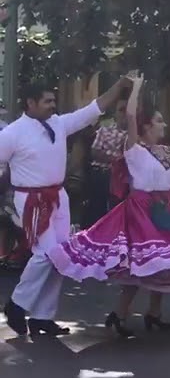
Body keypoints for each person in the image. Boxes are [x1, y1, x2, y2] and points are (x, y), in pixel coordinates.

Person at [48, 73, 170, 337]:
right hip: (141, 212)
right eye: (159, 121)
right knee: (140, 266)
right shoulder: (135, 149)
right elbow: (130, 116)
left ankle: (153, 313)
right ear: (147, 126)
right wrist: (137, 87)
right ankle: (120, 313)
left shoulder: (169, 152)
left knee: (165, 265)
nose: (164, 125)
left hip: (168, 211)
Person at [1, 76, 133, 336]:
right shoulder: (12, 133)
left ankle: (42, 316)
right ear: (31, 103)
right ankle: (17, 304)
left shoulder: (58, 124)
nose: (53, 104)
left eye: (53, 100)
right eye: (47, 101)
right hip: (31, 199)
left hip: (58, 197)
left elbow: (92, 110)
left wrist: (117, 88)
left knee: (62, 255)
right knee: (46, 253)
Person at [84, 100, 129, 226]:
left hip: (124, 177)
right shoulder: (105, 130)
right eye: (121, 110)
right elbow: (94, 152)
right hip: (103, 173)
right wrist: (116, 160)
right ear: (115, 114)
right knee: (97, 209)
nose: (125, 113)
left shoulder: (135, 135)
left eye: (127, 110)